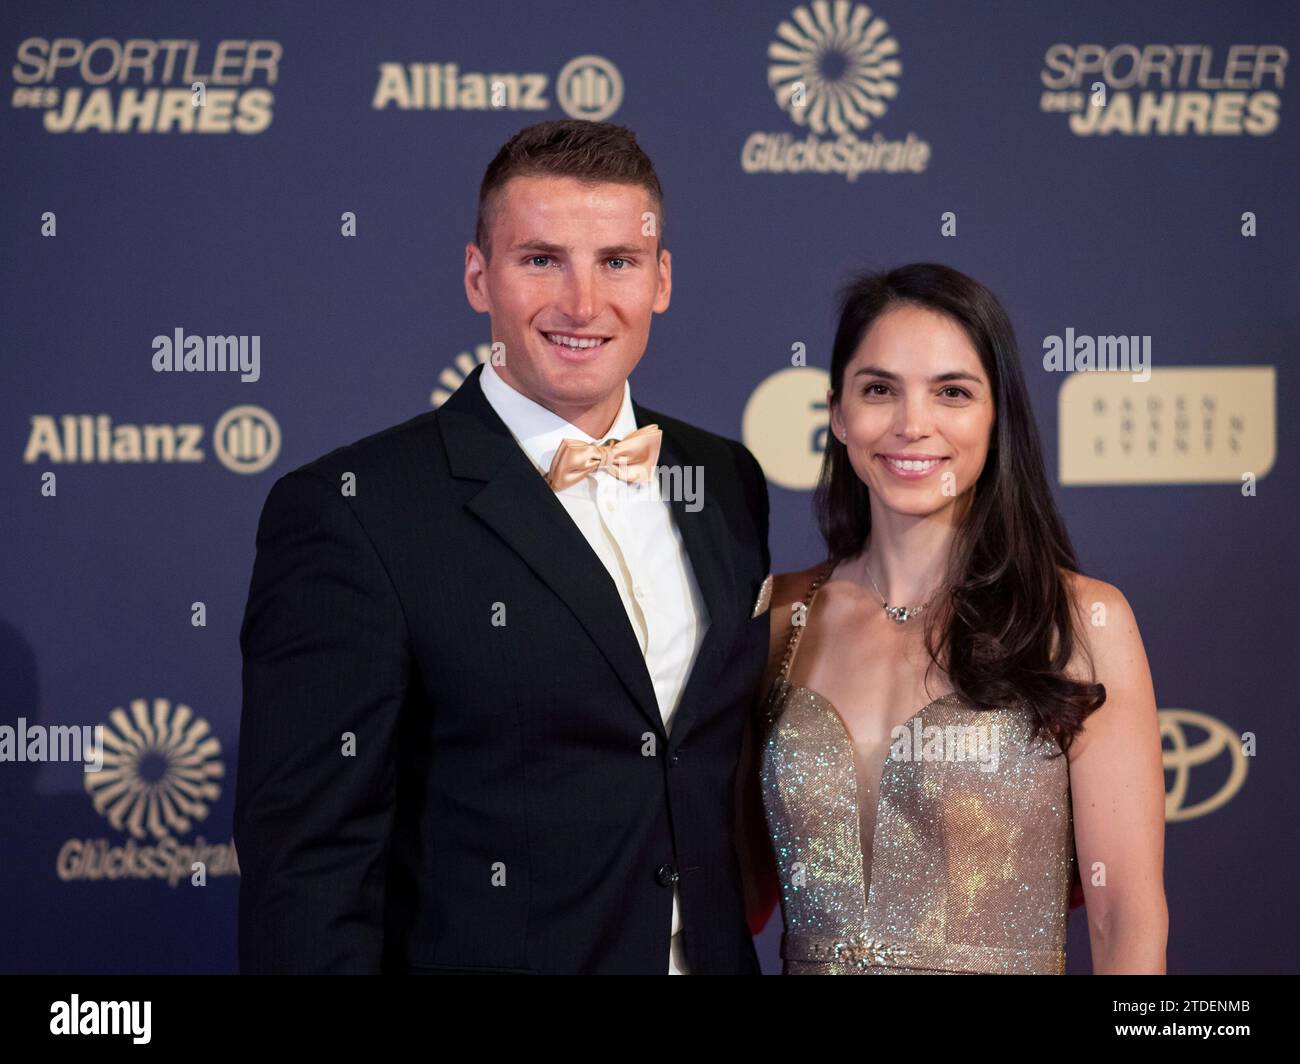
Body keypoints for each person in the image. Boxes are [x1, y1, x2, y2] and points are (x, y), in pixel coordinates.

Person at [235, 120, 772, 974]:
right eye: (541, 259)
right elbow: (308, 866)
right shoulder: (353, 511)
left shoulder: (724, 480)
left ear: (661, 279)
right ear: (478, 274)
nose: (583, 304)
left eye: (617, 262)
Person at [736, 263, 1168, 974]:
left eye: (952, 393)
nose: (912, 425)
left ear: (996, 416)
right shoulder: (780, 616)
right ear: (838, 413)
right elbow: (737, 892)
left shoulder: (1081, 622)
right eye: (879, 389)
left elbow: (1125, 916)